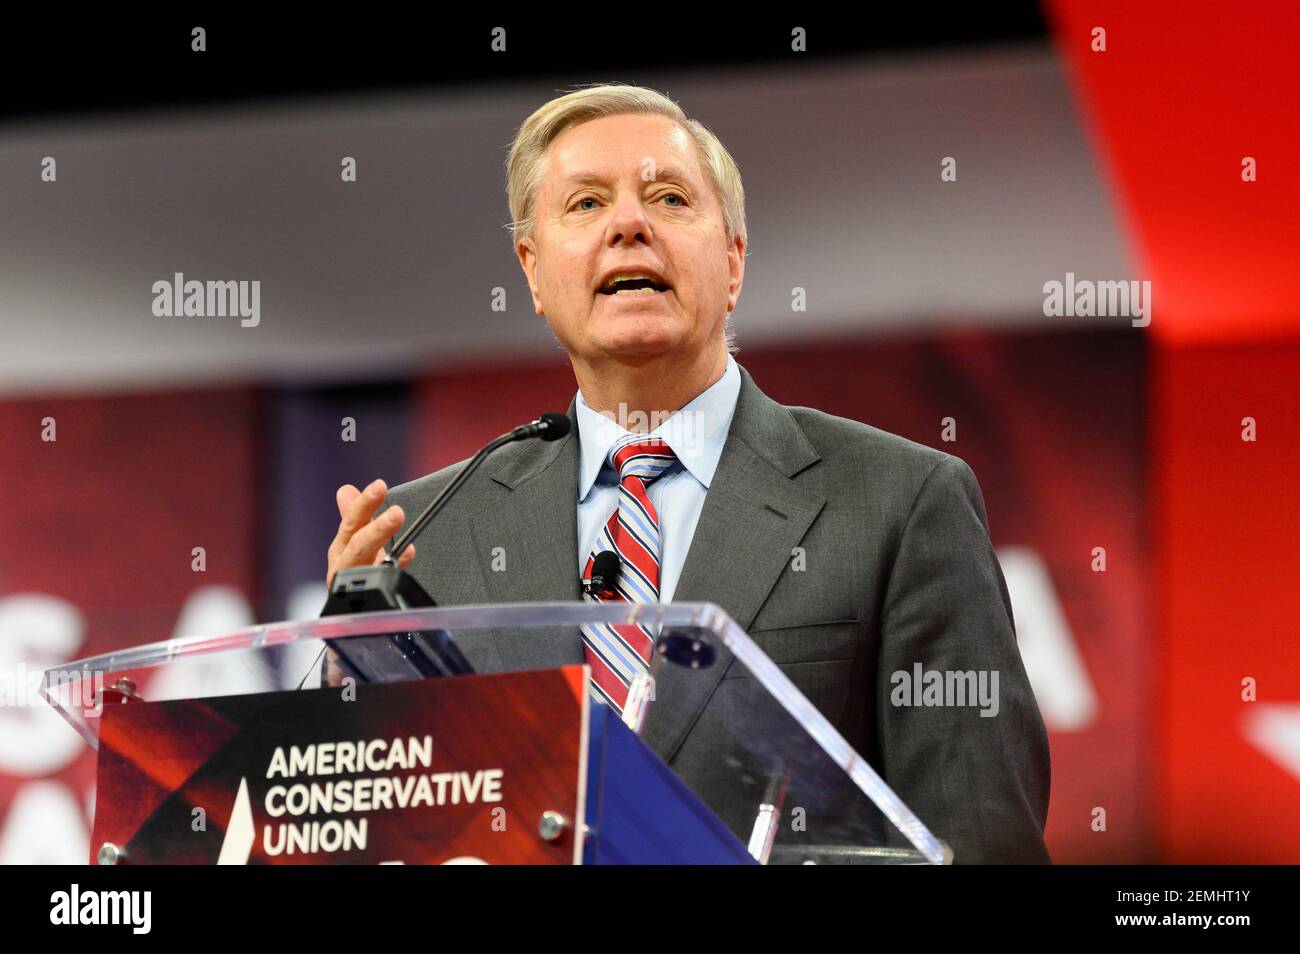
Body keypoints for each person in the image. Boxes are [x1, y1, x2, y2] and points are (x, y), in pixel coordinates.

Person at [325, 83, 1051, 863]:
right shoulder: (426, 535)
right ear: (532, 273)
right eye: (585, 204)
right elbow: (361, 826)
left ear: (733, 261)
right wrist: (344, 680)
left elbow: (981, 839)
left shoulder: (901, 504)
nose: (629, 224)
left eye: (669, 198)